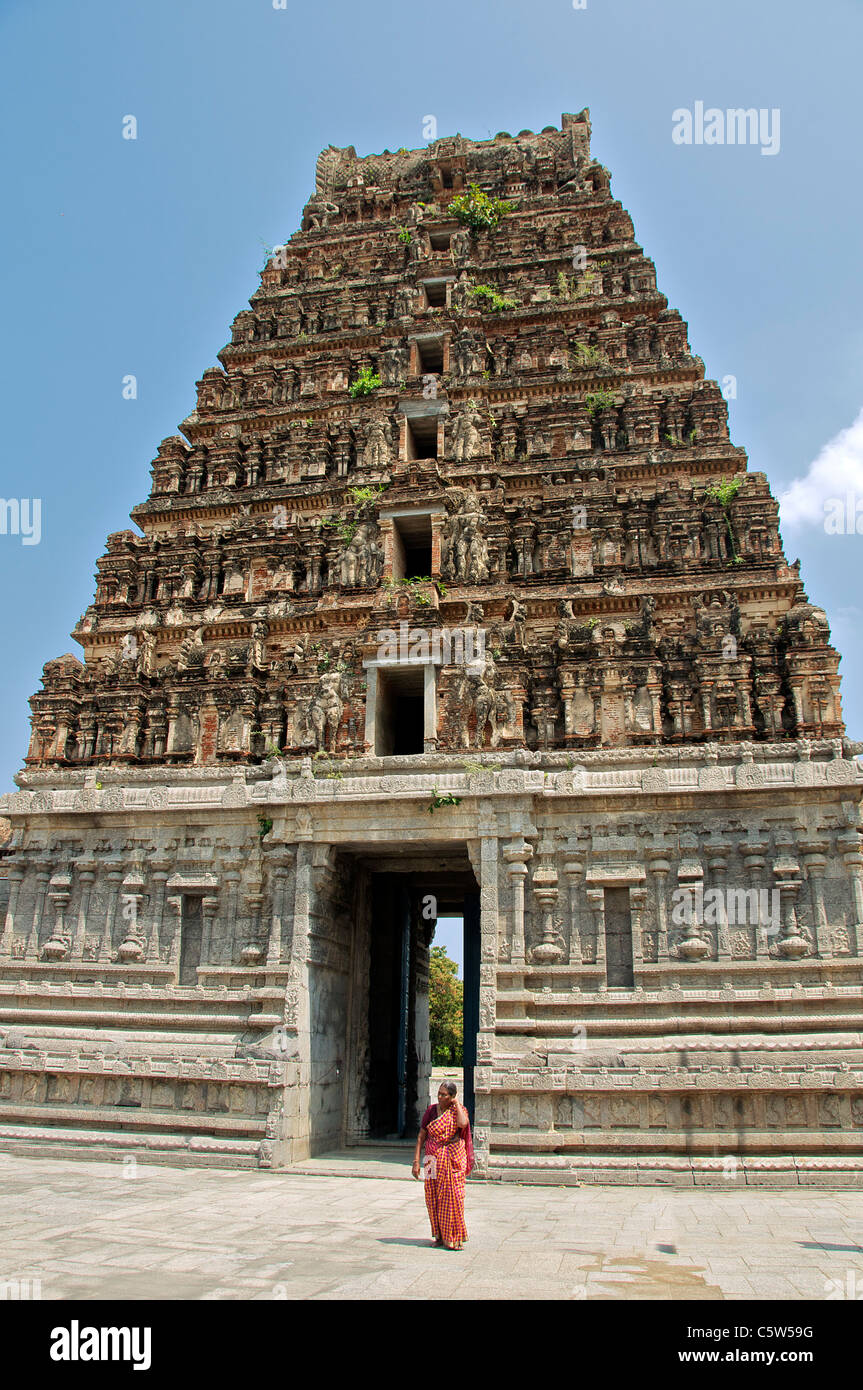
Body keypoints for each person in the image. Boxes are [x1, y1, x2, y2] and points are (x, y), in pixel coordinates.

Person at [412, 1082, 474, 1250]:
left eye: (444, 1095)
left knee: (454, 1196)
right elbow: (421, 1136)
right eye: (439, 1094)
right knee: (432, 1196)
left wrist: (456, 1104)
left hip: (453, 1157)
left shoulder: (458, 1110)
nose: (440, 1097)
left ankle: (453, 1237)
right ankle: (439, 1235)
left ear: (452, 1097)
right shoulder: (431, 1111)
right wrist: (416, 1161)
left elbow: (462, 1124)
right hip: (431, 1158)